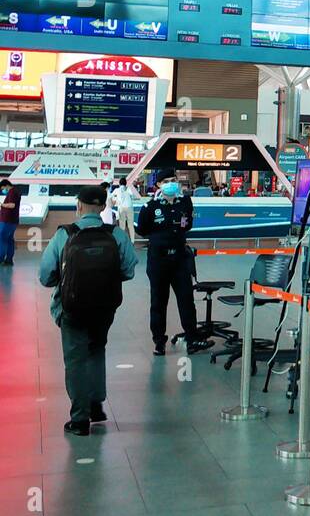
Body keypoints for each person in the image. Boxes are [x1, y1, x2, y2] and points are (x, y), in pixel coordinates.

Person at [38, 185, 137, 436]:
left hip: (72, 309)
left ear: (79, 206)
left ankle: (80, 419)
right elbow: (128, 270)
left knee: (75, 360)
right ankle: (96, 406)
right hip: (104, 308)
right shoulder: (116, 235)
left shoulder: (64, 235)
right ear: (103, 207)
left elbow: (45, 277)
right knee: (96, 350)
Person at [136, 174, 211, 355]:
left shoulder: (185, 202)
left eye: (173, 180)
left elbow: (188, 225)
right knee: (159, 302)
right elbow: (142, 229)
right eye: (166, 181)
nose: (171, 184)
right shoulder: (150, 207)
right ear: (159, 185)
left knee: (186, 300)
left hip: (179, 259)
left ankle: (192, 339)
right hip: (158, 260)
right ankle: (159, 342)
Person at [0, 177, 21, 265]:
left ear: (6, 185)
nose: (3, 191)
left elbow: (12, 205)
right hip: (13, 221)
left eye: (3, 189)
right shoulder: (16, 191)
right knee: (9, 240)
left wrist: (2, 204)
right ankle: (9, 259)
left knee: (2, 239)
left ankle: (0, 258)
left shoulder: (12, 192)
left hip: (7, 220)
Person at [110, 176, 136, 241]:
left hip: (121, 208)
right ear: (126, 183)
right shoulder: (128, 189)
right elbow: (133, 196)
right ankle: (132, 241)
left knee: (122, 226)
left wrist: (116, 200)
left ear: (119, 183)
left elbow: (111, 196)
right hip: (129, 207)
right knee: (130, 226)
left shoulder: (116, 190)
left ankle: (122, 240)